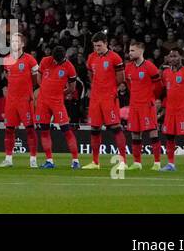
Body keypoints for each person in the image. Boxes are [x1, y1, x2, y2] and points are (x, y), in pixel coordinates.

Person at [83, 33, 128, 169]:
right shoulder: (91, 57)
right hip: (96, 98)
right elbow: (91, 75)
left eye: (99, 45)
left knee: (115, 128)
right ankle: (95, 162)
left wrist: (109, 88)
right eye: (95, 46)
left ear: (106, 43)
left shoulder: (115, 58)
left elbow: (121, 78)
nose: (97, 48)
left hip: (109, 97)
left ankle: (123, 162)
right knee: (95, 129)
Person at [35, 46, 81, 170]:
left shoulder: (69, 67)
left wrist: (60, 93)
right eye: (55, 60)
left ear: (64, 57)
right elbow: (39, 77)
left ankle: (75, 161)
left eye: (58, 61)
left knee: (66, 130)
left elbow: (72, 88)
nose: (56, 62)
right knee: (44, 130)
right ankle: (49, 160)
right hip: (43, 102)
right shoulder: (45, 61)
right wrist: (45, 89)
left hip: (57, 102)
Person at [0, 32, 39, 167]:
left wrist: (27, 92)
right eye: (12, 41)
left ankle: (33, 159)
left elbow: (36, 80)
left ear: (22, 44)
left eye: (17, 41)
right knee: (9, 129)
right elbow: (8, 76)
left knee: (30, 129)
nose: (14, 43)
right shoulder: (7, 59)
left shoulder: (30, 60)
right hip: (11, 100)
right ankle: (8, 159)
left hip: (25, 99)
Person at [124, 39, 161, 170]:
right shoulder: (128, 67)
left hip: (147, 105)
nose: (130, 53)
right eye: (129, 50)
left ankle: (157, 163)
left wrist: (152, 98)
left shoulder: (150, 67)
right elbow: (129, 84)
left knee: (152, 132)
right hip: (134, 105)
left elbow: (158, 86)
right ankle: (137, 163)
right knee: (135, 133)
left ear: (141, 51)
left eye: (132, 50)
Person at [160, 48, 184, 172]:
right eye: (171, 57)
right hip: (170, 110)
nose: (173, 59)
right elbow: (164, 91)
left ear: (181, 57)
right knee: (169, 136)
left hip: (183, 109)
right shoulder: (165, 73)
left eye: (175, 56)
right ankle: (171, 164)